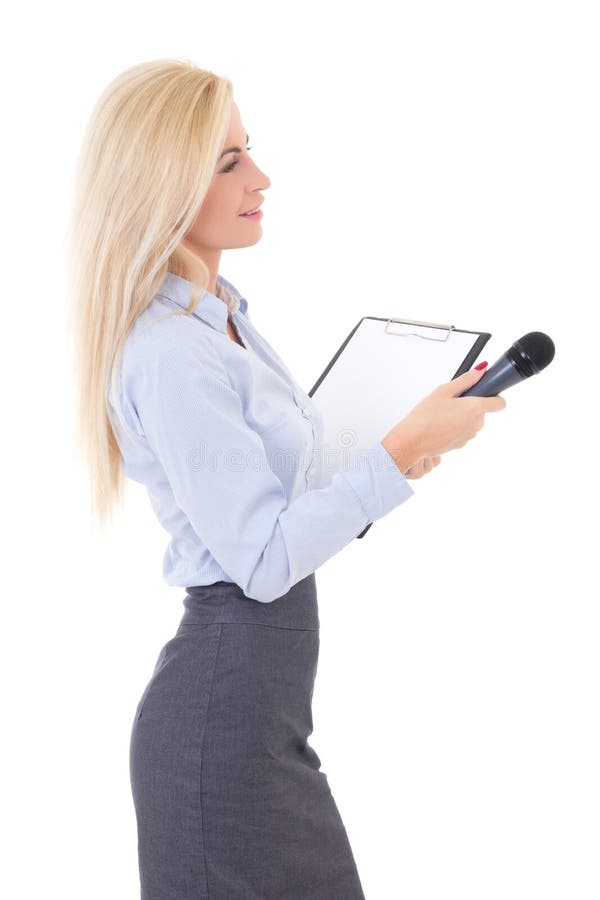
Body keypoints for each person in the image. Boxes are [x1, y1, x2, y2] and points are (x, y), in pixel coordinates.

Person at [67, 59, 507, 900]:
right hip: (221, 724)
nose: (260, 179)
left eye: (249, 151)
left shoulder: (222, 315)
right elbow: (263, 563)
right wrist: (392, 455)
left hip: (258, 720)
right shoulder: (170, 352)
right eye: (227, 163)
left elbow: (284, 514)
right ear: (158, 184)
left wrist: (402, 453)